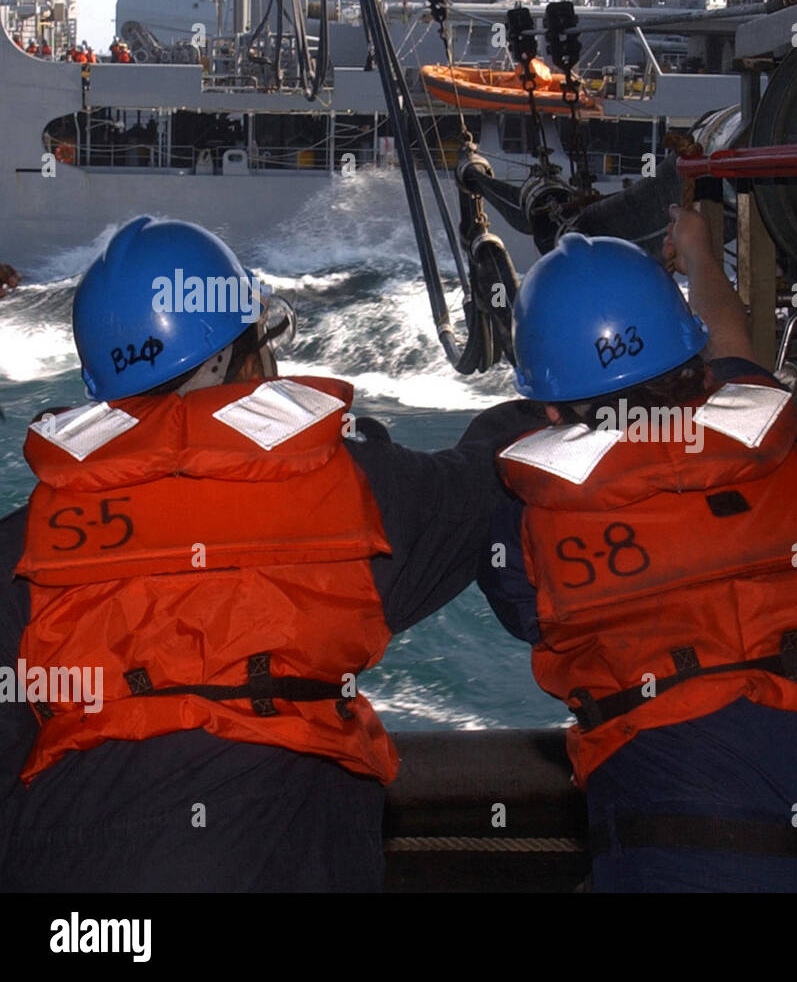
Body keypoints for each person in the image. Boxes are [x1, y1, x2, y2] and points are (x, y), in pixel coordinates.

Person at [0, 217, 544, 891]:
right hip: (279, 856)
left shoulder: (25, 545)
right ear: (237, 360)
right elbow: (494, 478)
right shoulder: (355, 491)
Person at [478, 208, 797, 893]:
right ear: (691, 360)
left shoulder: (528, 512)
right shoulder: (769, 434)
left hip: (683, 863)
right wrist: (698, 251)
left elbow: (530, 615)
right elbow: (733, 346)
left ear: (552, 409)